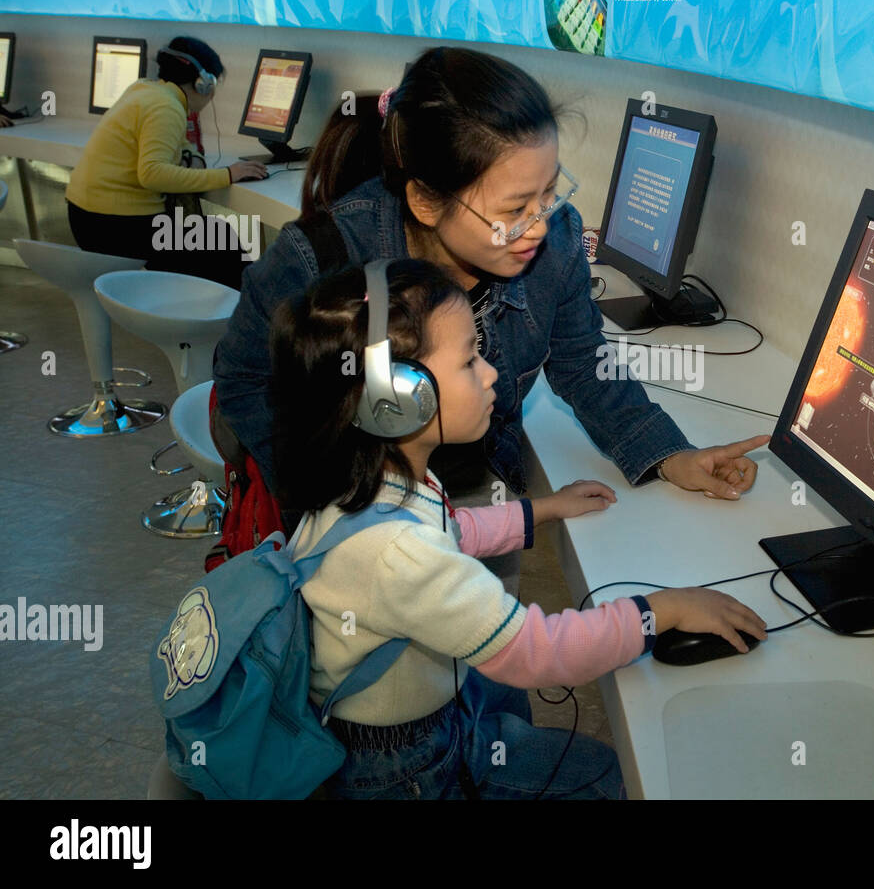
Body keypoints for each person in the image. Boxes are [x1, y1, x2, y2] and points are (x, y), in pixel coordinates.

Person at [213, 46, 767, 582]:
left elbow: (583, 364)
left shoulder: (555, 244)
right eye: (514, 209)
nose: (541, 224)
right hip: (345, 500)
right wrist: (348, 494)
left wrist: (669, 453)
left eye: (548, 194)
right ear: (427, 202)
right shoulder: (321, 258)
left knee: (480, 651)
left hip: (477, 477)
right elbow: (243, 381)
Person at [271, 258, 767, 799]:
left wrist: (541, 511)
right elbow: (535, 650)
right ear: (395, 401)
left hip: (417, 719)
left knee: (519, 717)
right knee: (604, 777)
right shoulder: (395, 548)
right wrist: (663, 610)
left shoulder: (364, 486)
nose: (490, 374)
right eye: (469, 360)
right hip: (405, 770)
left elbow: (449, 530)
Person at [65, 36, 268, 290]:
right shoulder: (167, 107)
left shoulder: (144, 90)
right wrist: (228, 174)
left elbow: (174, 143)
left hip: (87, 218)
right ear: (203, 84)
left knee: (210, 235)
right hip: (114, 228)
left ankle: (221, 311)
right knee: (221, 239)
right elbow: (152, 174)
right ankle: (245, 316)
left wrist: (192, 157)